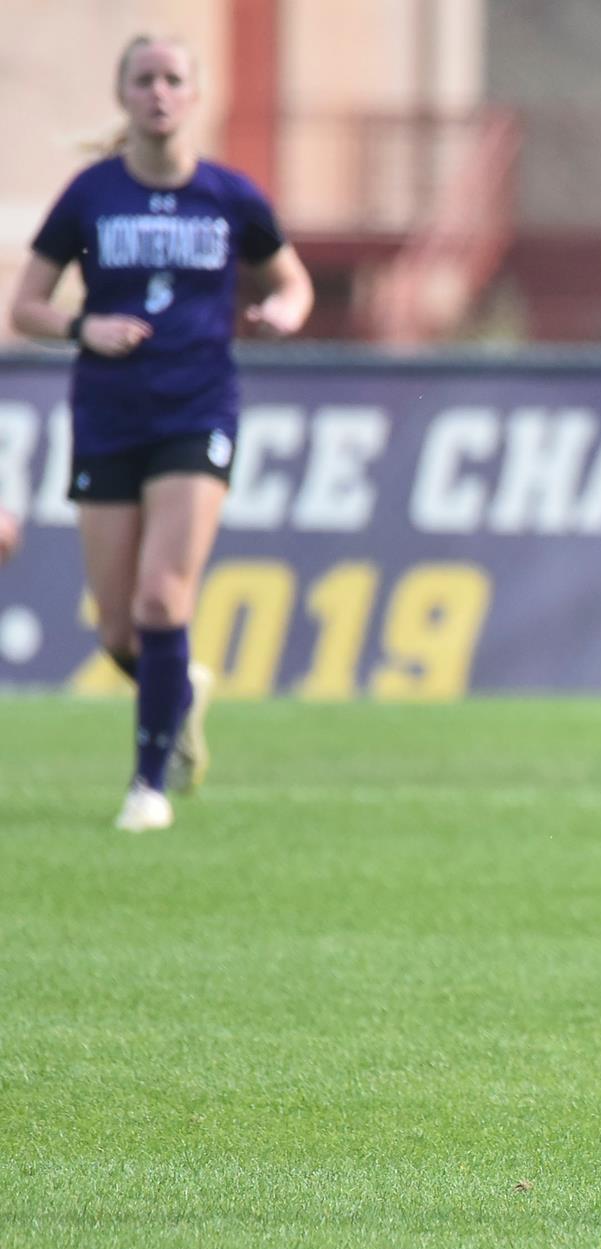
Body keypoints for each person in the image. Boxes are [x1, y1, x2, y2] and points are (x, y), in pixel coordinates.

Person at [7, 34, 312, 831]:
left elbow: (292, 279)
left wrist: (283, 311)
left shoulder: (230, 195)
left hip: (196, 411)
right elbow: (25, 306)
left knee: (160, 596)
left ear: (195, 94)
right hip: (108, 413)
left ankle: (148, 785)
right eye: (145, 80)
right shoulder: (92, 195)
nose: (159, 93)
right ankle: (181, 689)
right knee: (117, 625)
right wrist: (85, 326)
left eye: (174, 79)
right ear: (123, 94)